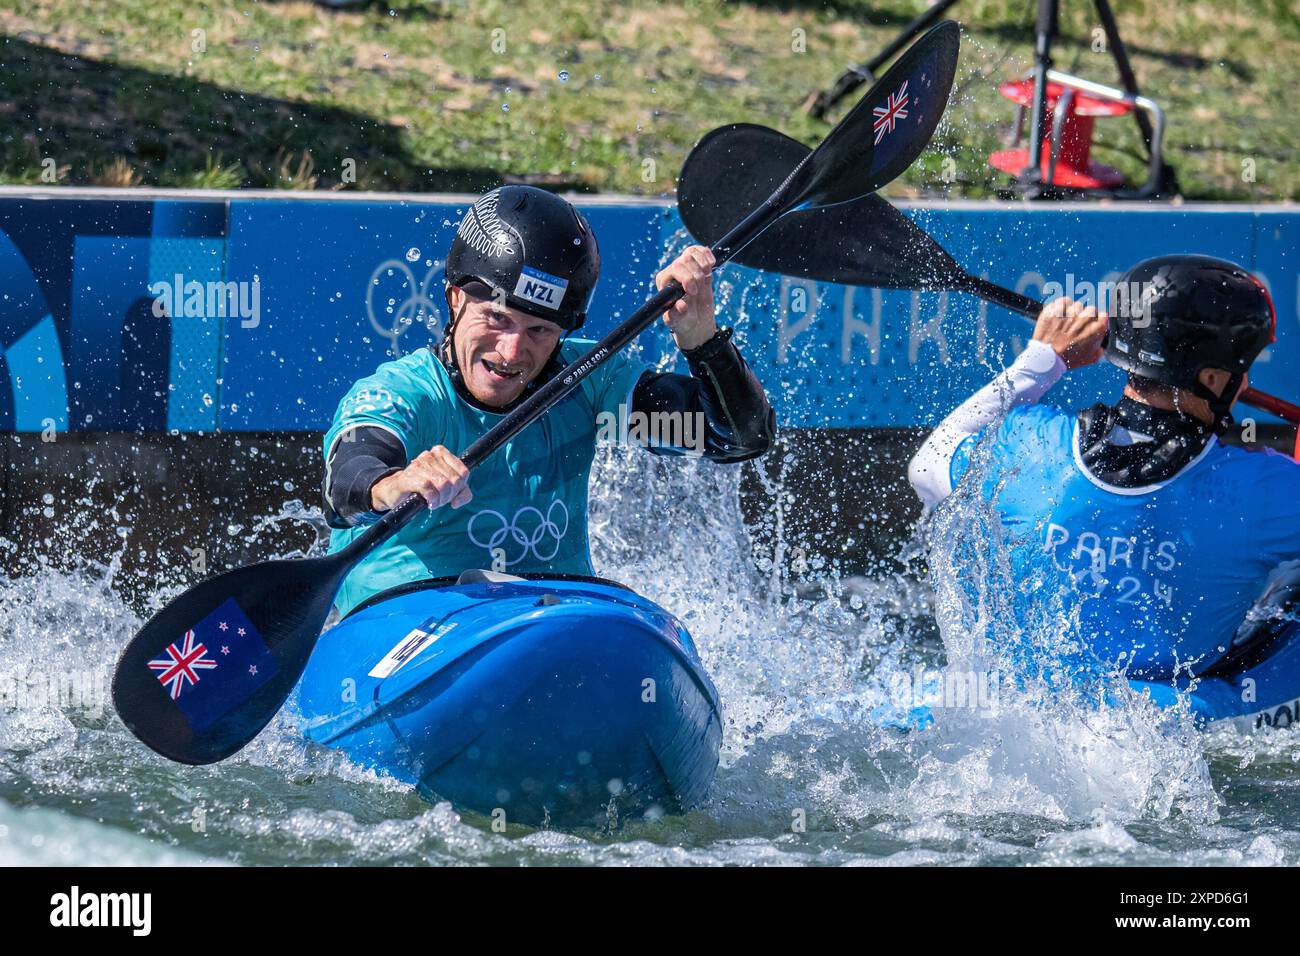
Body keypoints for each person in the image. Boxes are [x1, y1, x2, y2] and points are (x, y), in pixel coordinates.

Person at [322, 185, 775, 616]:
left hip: (550, 629)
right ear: (455, 298)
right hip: (402, 629)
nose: (512, 353)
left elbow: (737, 436)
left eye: (539, 330)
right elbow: (346, 483)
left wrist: (702, 340)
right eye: (497, 319)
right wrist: (392, 485)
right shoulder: (404, 393)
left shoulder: (592, 386)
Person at [907, 254, 1300, 726]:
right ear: (1214, 380)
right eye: (1243, 367)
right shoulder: (1266, 490)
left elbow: (928, 465)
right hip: (1166, 722)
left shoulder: (1024, 443)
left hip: (1016, 711)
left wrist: (1041, 362)